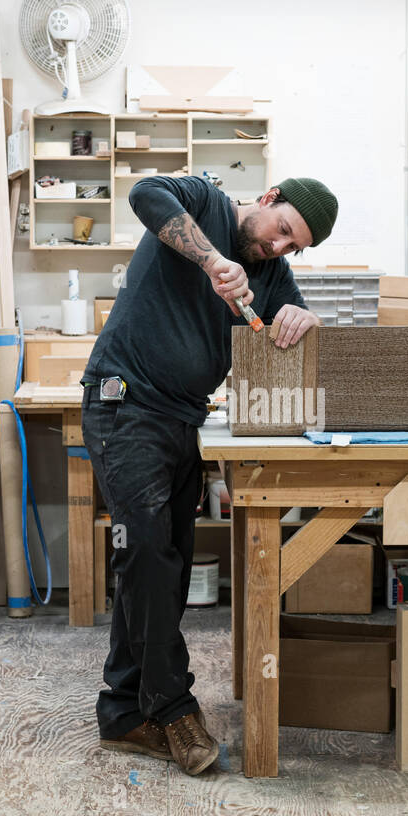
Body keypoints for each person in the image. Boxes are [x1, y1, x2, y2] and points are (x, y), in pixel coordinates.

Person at [80, 174, 338, 775]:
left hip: (183, 420)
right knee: (145, 552)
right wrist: (212, 258)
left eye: (291, 247)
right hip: (124, 402)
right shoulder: (203, 202)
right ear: (270, 198)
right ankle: (173, 708)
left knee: (160, 562)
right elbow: (144, 193)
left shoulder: (271, 275)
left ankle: (122, 713)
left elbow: (291, 332)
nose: (278, 249)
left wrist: (306, 319)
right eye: (281, 231)